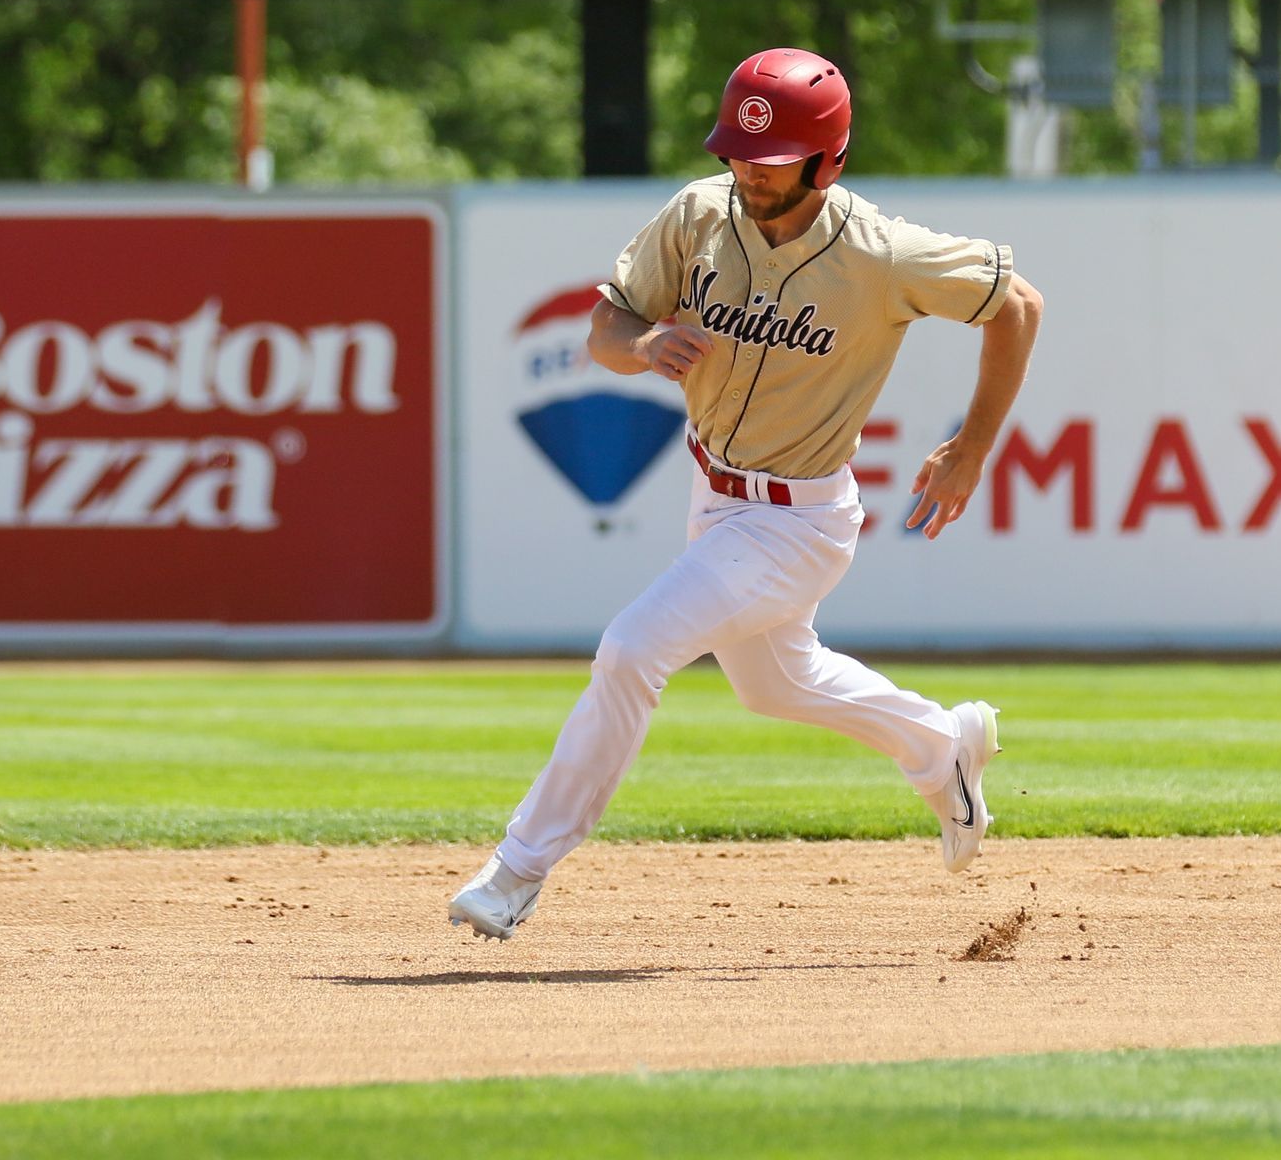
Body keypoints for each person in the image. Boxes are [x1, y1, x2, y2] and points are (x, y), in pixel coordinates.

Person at [448, 46, 1046, 941]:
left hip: (798, 518)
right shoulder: (698, 212)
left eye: (773, 160)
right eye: (738, 151)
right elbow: (607, 327)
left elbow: (1018, 304)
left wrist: (973, 446)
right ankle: (940, 744)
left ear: (827, 157)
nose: (749, 172)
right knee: (776, 684)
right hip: (715, 494)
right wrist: (645, 346)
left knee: (631, 648)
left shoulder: (881, 253)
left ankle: (517, 869)